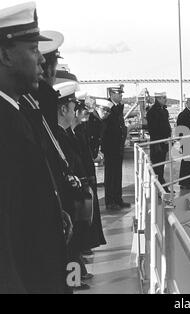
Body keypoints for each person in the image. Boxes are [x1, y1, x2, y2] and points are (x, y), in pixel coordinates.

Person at [0, 2, 68, 294]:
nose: (41, 59)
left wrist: (54, 211)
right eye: (32, 49)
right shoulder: (5, 123)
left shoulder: (15, 112)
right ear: (5, 55)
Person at [55, 81, 92, 290]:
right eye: (72, 108)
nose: (75, 112)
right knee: (70, 244)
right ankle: (74, 281)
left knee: (74, 242)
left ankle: (77, 277)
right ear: (63, 110)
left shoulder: (64, 134)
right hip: (67, 196)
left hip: (72, 193)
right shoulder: (59, 135)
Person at [73, 100, 107, 252]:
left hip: (87, 175)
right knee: (84, 214)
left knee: (90, 213)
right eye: (81, 110)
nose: (85, 114)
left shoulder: (79, 130)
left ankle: (89, 241)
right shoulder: (74, 132)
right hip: (81, 178)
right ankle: (84, 244)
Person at [102, 84, 131, 211]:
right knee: (110, 175)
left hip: (118, 146)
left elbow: (120, 126)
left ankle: (118, 199)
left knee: (117, 174)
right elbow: (104, 129)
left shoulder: (118, 107)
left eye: (121, 93)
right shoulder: (107, 108)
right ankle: (110, 201)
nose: (121, 95)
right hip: (110, 146)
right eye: (119, 93)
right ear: (112, 94)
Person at [146, 92, 172, 188]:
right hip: (157, 144)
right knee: (157, 166)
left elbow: (166, 126)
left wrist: (169, 137)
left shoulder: (164, 110)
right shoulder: (153, 111)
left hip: (164, 143)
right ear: (158, 99)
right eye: (164, 98)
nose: (166, 99)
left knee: (161, 166)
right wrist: (162, 139)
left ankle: (161, 186)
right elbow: (153, 129)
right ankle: (159, 188)